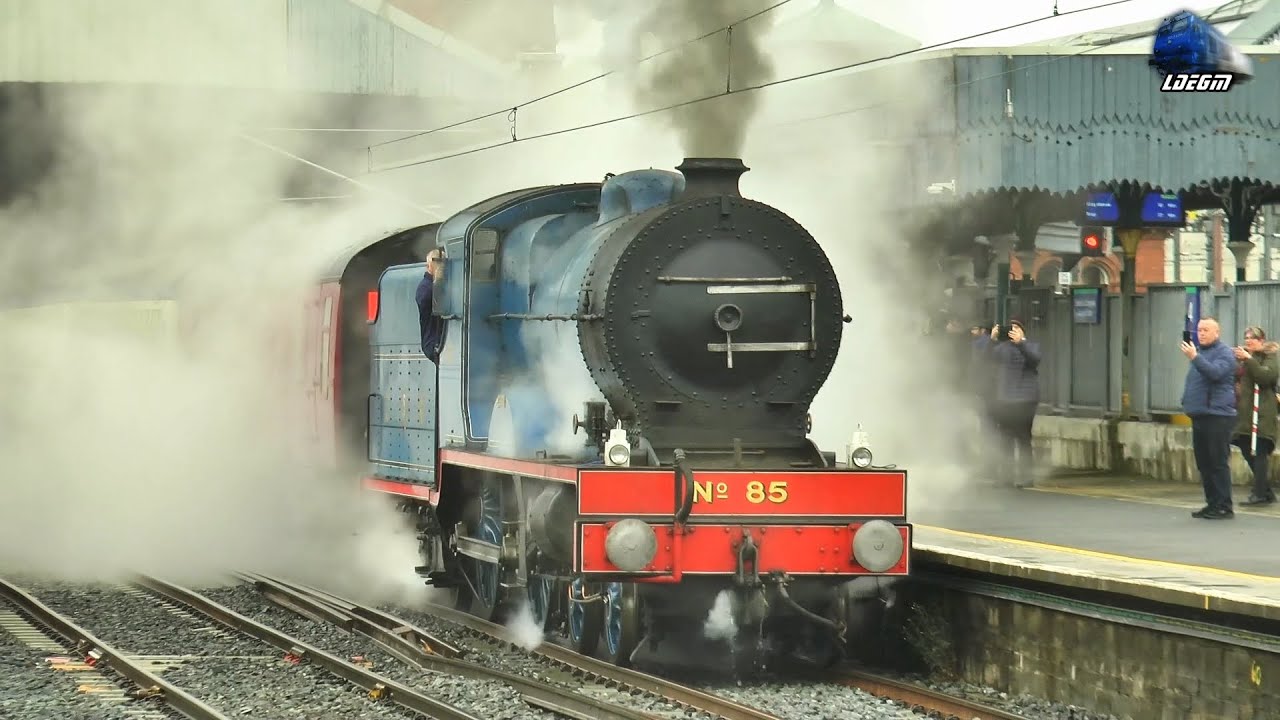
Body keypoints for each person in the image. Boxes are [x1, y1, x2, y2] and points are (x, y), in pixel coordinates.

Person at [1180, 317, 1238, 519]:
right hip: (1200, 414)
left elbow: (1215, 373)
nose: (1201, 333)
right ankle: (1212, 503)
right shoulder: (1201, 352)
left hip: (1217, 415)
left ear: (1217, 332)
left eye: (1206, 330)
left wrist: (1195, 357)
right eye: (1199, 330)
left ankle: (1224, 505)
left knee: (1217, 461)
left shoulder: (1224, 353)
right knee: (1204, 462)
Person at [986, 318, 1041, 488]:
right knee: (1006, 438)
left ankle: (1027, 476)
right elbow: (987, 359)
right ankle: (1007, 476)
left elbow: (1034, 360)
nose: (1013, 330)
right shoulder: (1002, 348)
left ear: (1023, 331)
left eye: (1017, 328)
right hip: (1005, 398)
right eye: (1011, 328)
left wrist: (1021, 343)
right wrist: (992, 340)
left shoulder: (1031, 346)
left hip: (1026, 399)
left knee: (1023, 437)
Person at [1232, 326, 1279, 506]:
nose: (1249, 341)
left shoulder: (1270, 357)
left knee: (1259, 451)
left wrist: (1250, 360)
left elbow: (1266, 377)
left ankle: (1259, 493)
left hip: (1262, 414)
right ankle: (1265, 490)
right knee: (1245, 447)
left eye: (1253, 338)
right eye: (1247, 338)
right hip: (1245, 415)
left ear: (1261, 340)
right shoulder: (1244, 359)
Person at [416, 249, 446, 362]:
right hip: (433, 342)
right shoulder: (425, 287)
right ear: (429, 266)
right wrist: (438, 281)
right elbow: (425, 299)